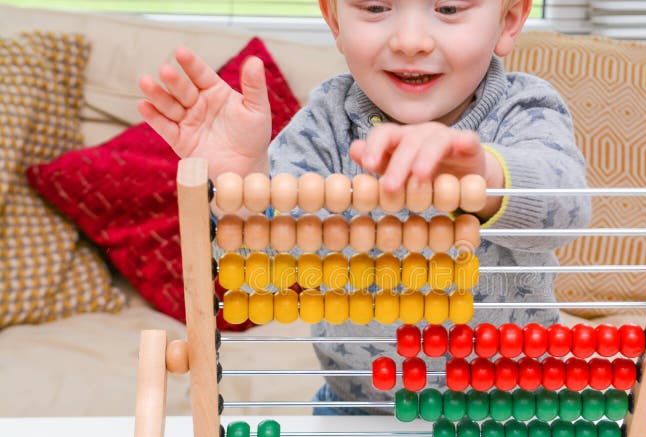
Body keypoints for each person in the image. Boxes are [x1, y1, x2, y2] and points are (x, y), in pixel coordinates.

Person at [138, 0, 591, 414]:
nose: (409, 41)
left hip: (513, 412)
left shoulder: (524, 110)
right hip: (357, 411)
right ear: (335, 20)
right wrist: (245, 185)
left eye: (449, 8)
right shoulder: (326, 124)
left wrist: (484, 178)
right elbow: (277, 270)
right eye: (376, 7)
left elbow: (567, 211)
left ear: (507, 22)